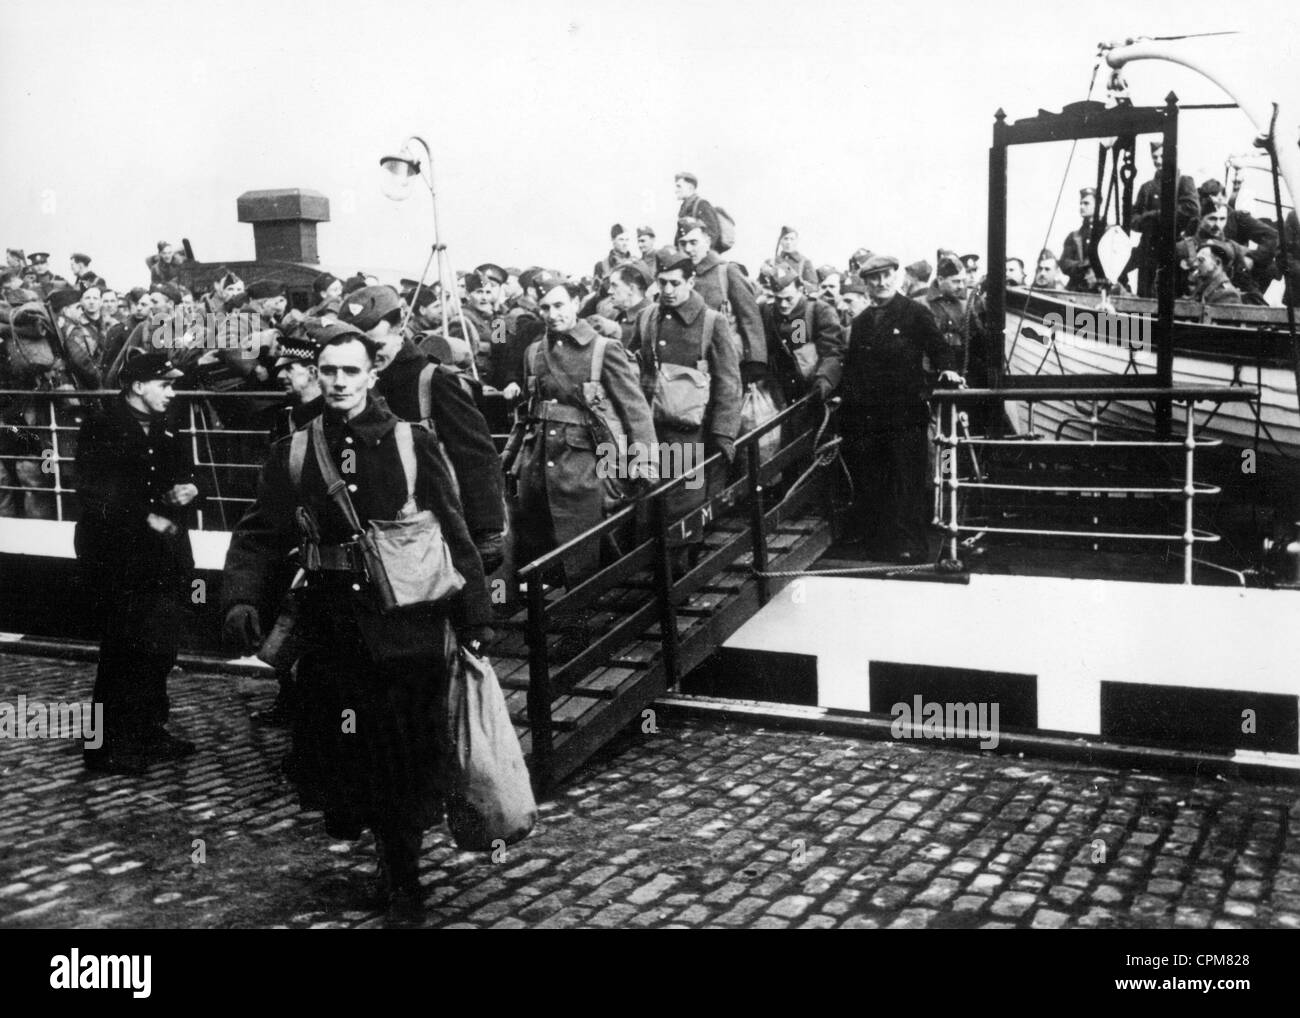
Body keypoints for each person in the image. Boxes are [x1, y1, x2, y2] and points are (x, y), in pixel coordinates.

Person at [221, 328, 492, 920]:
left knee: (403, 755)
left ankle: (403, 873)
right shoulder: (294, 451)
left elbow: (455, 529)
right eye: (328, 371)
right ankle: (377, 839)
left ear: (373, 374)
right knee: (345, 755)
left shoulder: (412, 442)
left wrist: (475, 618)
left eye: (351, 371)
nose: (339, 382)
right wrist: (241, 596)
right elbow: (259, 532)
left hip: (407, 629)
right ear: (316, 375)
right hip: (331, 632)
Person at [75, 352, 201, 774]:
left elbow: (187, 471)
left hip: (163, 555)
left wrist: (191, 489)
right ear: (137, 386)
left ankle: (148, 731)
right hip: (117, 556)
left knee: (158, 647)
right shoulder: (102, 426)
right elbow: (96, 496)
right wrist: (151, 517)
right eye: (164, 384)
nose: (172, 392)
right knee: (120, 651)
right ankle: (102, 747)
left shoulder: (166, 425)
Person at [337, 285, 506, 574]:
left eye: (376, 347)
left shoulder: (432, 380)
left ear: (399, 327)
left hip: (433, 527)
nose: (367, 357)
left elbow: (476, 457)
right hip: (374, 529)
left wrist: (486, 530)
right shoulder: (349, 384)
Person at [504, 277, 656, 584]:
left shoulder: (604, 350)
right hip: (538, 465)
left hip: (586, 465)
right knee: (544, 553)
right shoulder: (533, 352)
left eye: (560, 305)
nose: (552, 313)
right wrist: (510, 456)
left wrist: (646, 463)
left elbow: (636, 411)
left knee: (588, 551)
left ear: (576, 303)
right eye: (545, 307)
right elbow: (527, 413)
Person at [841, 254, 959, 562]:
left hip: (905, 411)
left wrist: (947, 369)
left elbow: (938, 346)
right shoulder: (862, 322)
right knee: (876, 477)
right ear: (865, 283)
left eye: (886, 276)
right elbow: (853, 369)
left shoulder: (913, 313)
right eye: (873, 278)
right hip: (870, 415)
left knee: (907, 479)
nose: (880, 283)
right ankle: (881, 543)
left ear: (896, 277)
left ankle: (911, 544)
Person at [627, 255, 741, 565]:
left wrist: (722, 432)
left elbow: (729, 381)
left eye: (675, 283)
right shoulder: (648, 316)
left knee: (685, 501)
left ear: (691, 282)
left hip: (690, 432)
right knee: (649, 497)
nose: (668, 289)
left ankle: (681, 571)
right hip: (651, 427)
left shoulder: (711, 321)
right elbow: (633, 361)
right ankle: (655, 569)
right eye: (662, 282)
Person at [677, 217, 768, 383]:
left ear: (707, 241)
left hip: (727, 362)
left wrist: (755, 361)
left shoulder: (726, 272)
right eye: (683, 244)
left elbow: (750, 318)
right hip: (692, 366)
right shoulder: (679, 278)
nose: (688, 249)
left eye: (694, 242)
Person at [760, 264, 845, 405]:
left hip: (813, 391)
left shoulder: (819, 310)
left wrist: (825, 380)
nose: (783, 305)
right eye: (778, 299)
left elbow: (832, 351)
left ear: (800, 290)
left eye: (788, 299)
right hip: (780, 395)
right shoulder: (767, 311)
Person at [1128, 141, 1200, 297]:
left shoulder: (1184, 182)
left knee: (1174, 296)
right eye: (1155, 157)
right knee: (1145, 298)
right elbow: (1132, 220)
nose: (1159, 161)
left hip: (1175, 249)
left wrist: (1152, 216)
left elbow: (1191, 210)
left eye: (1163, 156)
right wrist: (1156, 216)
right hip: (1149, 251)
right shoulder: (1147, 188)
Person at [588, 264, 654, 347]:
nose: (609, 291)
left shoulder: (651, 318)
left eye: (614, 285)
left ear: (631, 288)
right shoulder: (621, 315)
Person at [1060, 188, 1100, 291]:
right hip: (1076, 289)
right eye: (1081, 203)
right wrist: (1084, 266)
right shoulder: (1073, 236)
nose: (1081, 207)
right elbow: (1064, 263)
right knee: (1068, 307)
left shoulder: (1108, 233)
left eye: (1086, 203)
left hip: (1101, 290)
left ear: (1097, 206)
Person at [674, 172, 723, 252]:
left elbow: (713, 234)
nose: (676, 190)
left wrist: (703, 255)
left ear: (690, 188)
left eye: (679, 187)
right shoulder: (685, 207)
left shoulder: (702, 205)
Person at [1190, 240, 1242, 305]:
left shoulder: (1227, 294)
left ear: (1217, 262)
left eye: (1201, 260)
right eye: (1196, 260)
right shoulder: (1203, 286)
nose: (1195, 264)